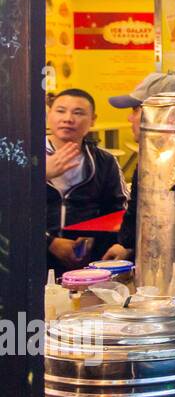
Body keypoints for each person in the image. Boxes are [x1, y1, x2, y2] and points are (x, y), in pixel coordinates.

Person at [99, 72, 175, 263]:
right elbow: (140, 207)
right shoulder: (150, 157)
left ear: (163, 113)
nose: (129, 118)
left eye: (135, 110)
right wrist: (125, 245)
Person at [45, 88, 128, 275]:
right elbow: (11, 208)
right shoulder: (27, 157)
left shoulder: (104, 161)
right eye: (60, 111)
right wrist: (50, 242)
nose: (68, 119)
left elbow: (118, 210)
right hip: (32, 259)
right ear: (49, 115)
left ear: (93, 120)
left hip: (88, 264)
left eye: (78, 113)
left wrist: (94, 236)